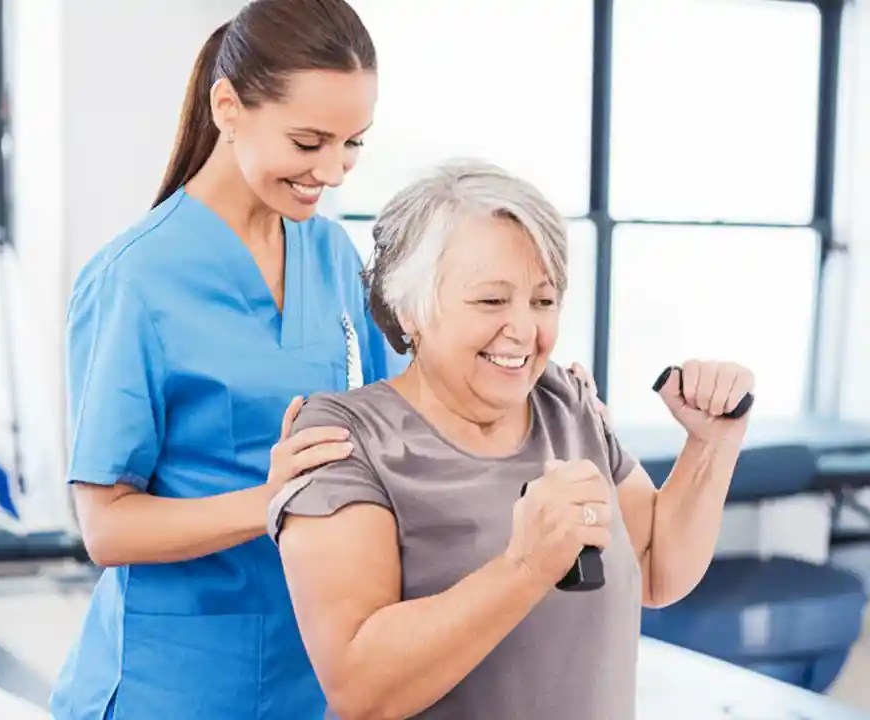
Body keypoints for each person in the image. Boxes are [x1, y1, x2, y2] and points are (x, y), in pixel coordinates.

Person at [49, 2, 602, 717]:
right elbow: (106, 528)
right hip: (178, 684)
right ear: (229, 106)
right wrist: (270, 501)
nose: (331, 171)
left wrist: (537, 395)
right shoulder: (135, 278)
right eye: (309, 141)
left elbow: (406, 409)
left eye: (352, 145)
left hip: (317, 674)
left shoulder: (331, 253)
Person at [267, 159, 755, 720]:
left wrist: (712, 445)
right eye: (491, 301)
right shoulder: (346, 440)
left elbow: (656, 567)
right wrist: (524, 567)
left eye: (543, 301)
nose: (524, 329)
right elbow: (360, 689)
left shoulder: (565, 404)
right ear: (411, 308)